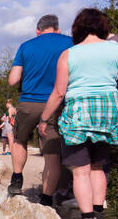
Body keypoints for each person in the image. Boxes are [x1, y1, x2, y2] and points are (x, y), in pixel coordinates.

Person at [37, 8, 118, 219]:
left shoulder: (68, 54)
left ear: (78, 28)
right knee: (98, 167)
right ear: (103, 27)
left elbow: (59, 92)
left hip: (78, 112)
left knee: (81, 171)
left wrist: (44, 119)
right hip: (108, 111)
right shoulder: (115, 49)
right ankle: (99, 215)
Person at [8, 14, 73, 204]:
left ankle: (17, 180)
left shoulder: (26, 46)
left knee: (20, 141)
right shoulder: (70, 43)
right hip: (56, 104)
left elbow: (13, 80)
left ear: (38, 31)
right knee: (52, 153)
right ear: (58, 29)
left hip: (28, 102)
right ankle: (46, 198)